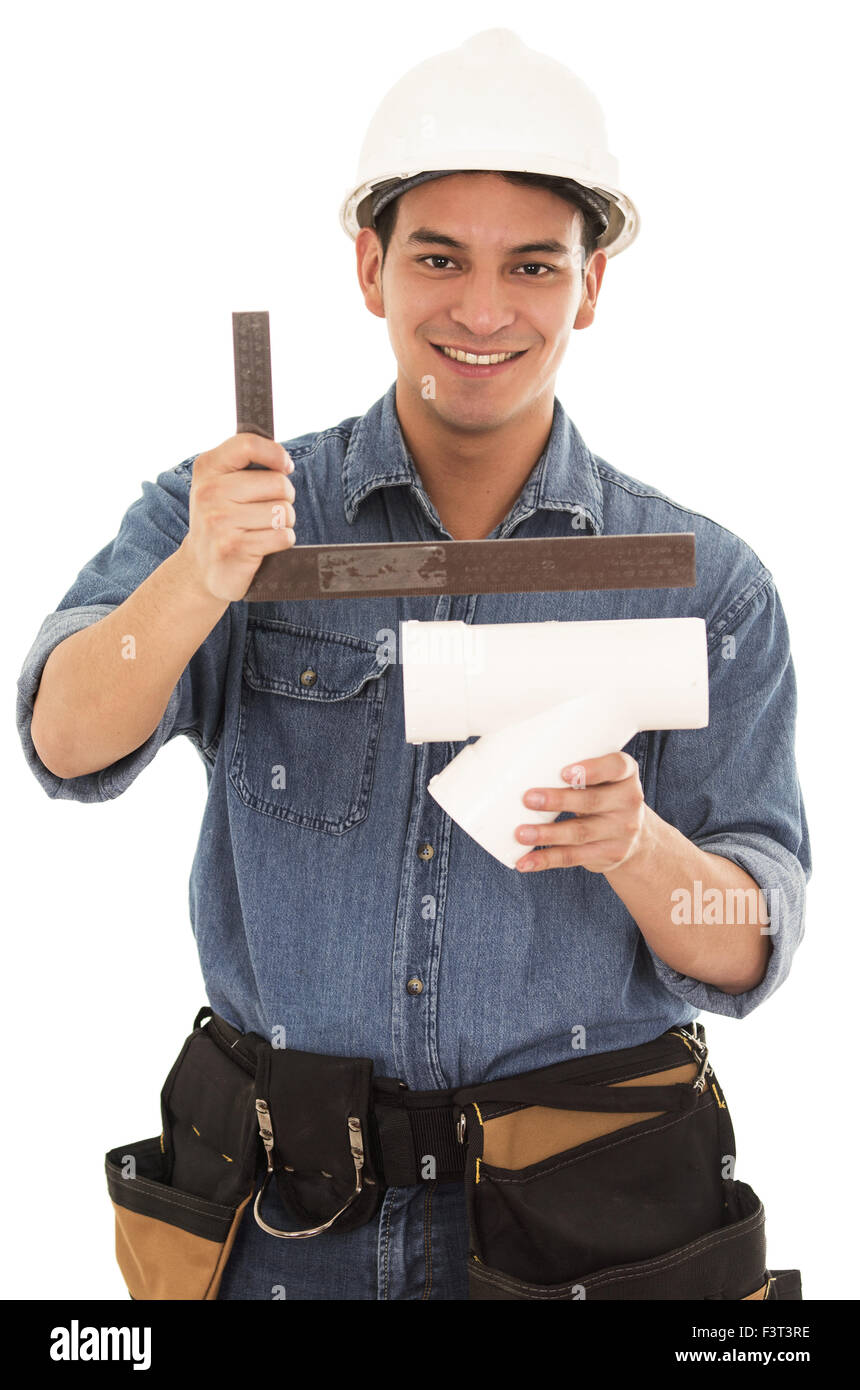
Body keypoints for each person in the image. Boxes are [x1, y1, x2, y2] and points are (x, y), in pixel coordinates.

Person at [16, 29, 811, 1301]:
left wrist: (637, 847)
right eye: (438, 258)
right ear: (369, 267)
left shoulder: (706, 585)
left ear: (589, 286)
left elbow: (751, 934)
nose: (482, 311)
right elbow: (63, 737)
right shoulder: (230, 514)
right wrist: (192, 584)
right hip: (285, 1225)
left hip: (585, 1227)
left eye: (532, 267)